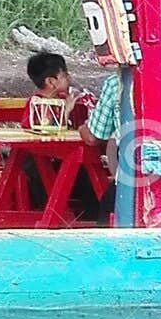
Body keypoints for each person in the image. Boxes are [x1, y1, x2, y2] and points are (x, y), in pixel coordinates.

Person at [23, 52, 110, 222]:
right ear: (51, 81)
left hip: (65, 161)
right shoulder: (36, 103)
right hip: (42, 164)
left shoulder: (67, 100)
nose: (68, 78)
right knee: (80, 174)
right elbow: (41, 128)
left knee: (87, 173)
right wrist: (66, 111)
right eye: (64, 75)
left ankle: (95, 217)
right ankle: (65, 217)